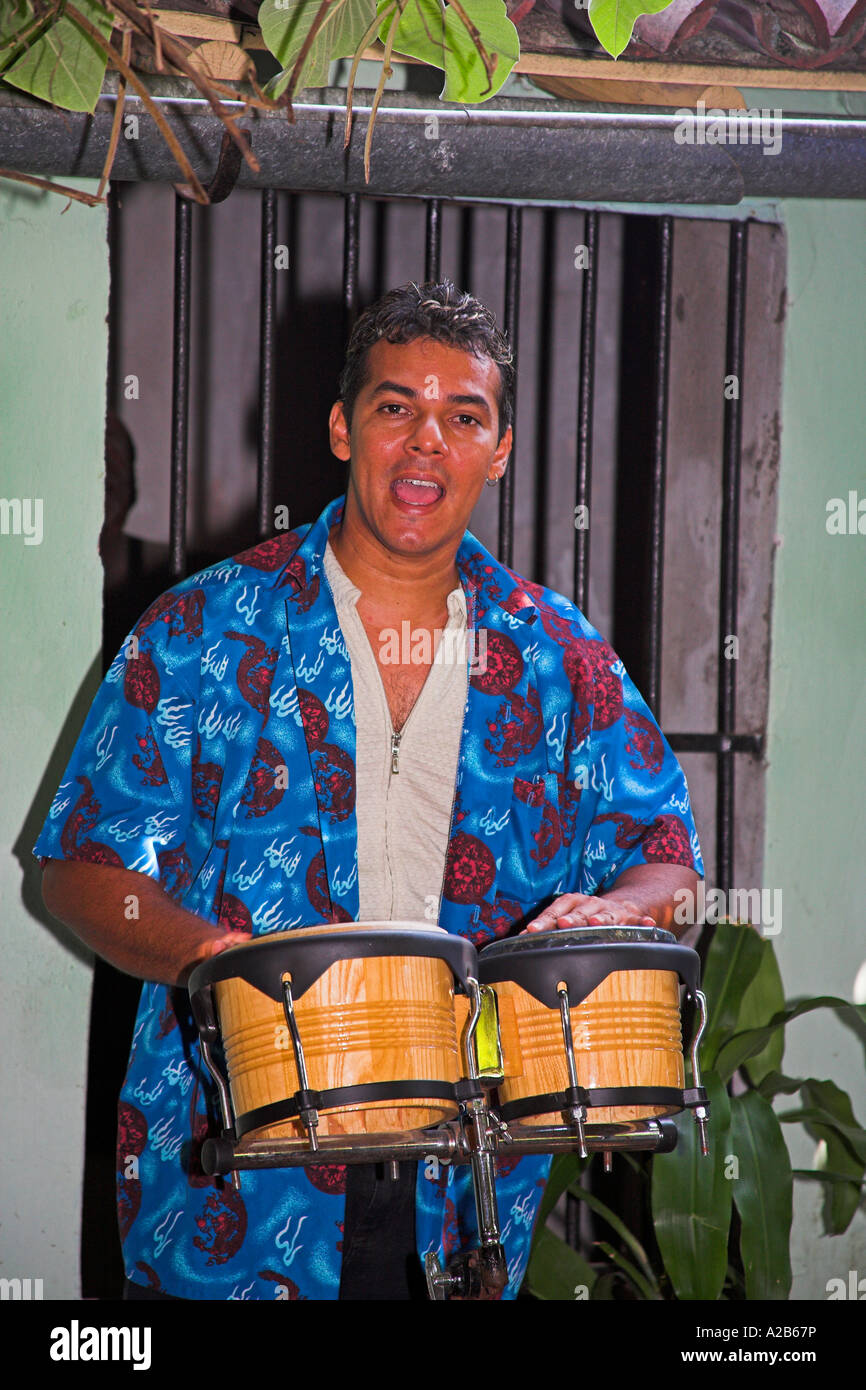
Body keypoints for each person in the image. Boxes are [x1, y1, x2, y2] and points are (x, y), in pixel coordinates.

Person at [35, 279, 703, 1301]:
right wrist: (211, 960)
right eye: (396, 407)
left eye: (462, 416)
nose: (426, 440)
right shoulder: (200, 629)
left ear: (501, 448)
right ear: (344, 429)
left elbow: (669, 865)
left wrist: (610, 910)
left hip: (466, 1190)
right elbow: (80, 869)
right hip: (230, 1169)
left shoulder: (561, 659)